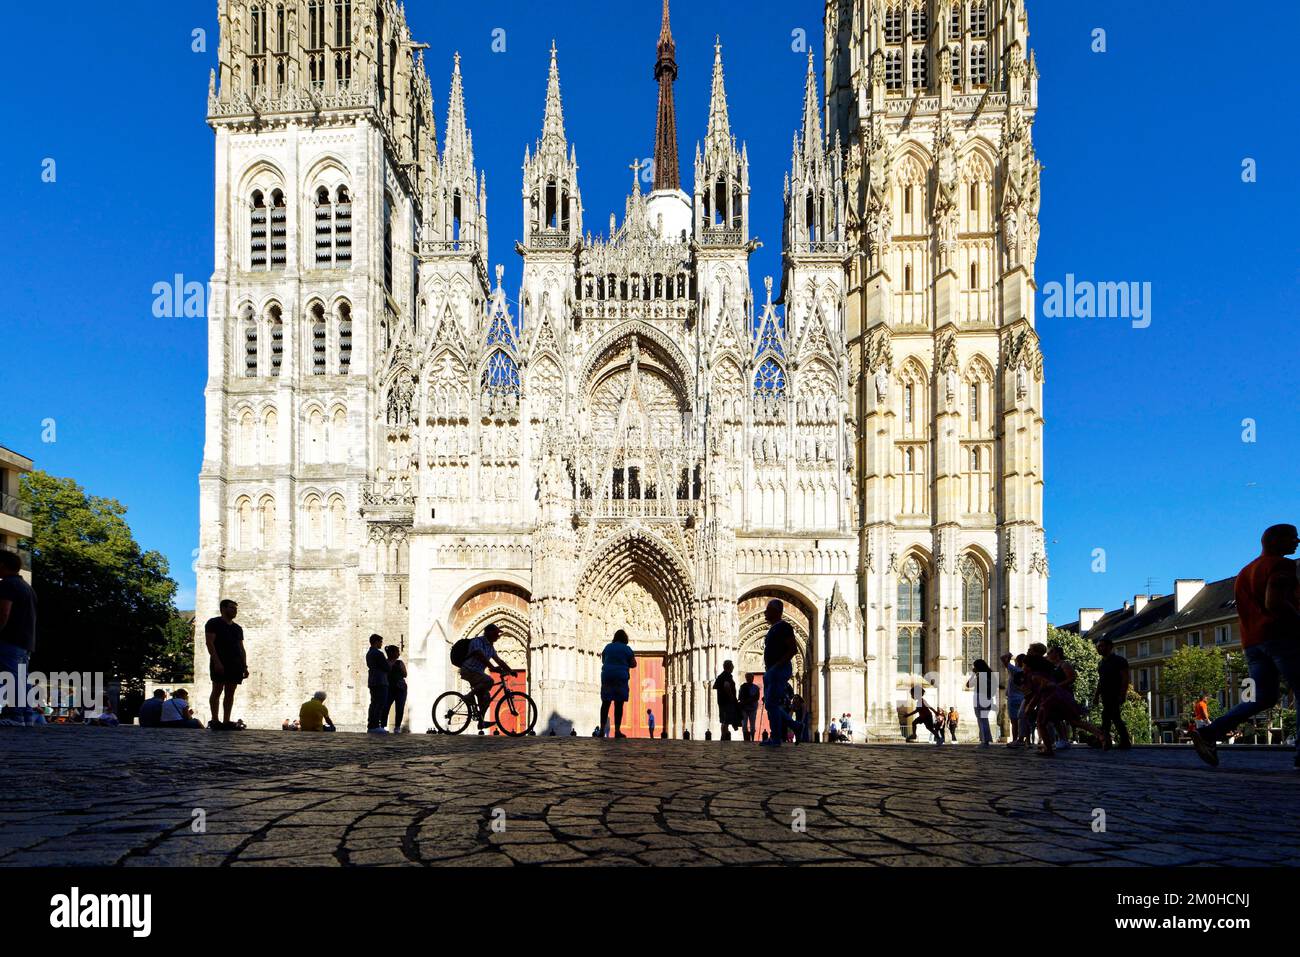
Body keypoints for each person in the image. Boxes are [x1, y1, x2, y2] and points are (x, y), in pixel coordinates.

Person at [1192, 525, 1300, 769]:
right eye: (1292, 537)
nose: (1298, 541)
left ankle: (1210, 733)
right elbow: (1275, 603)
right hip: (1281, 637)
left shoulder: (1244, 572)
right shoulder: (1281, 565)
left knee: (1262, 697)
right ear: (1274, 540)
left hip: (1252, 643)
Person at [1023, 656, 1103, 757]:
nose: (1023, 668)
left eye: (1024, 666)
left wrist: (1032, 705)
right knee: (1074, 721)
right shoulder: (1041, 674)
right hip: (1061, 697)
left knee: (1040, 723)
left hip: (1050, 700)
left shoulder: (1034, 676)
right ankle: (1100, 735)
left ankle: (1048, 749)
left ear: (1029, 667)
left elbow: (1043, 689)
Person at [0, 549, 38, 726]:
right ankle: (26, 715)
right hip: (26, 640)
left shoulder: (7, 585)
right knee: (22, 678)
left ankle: (15, 715)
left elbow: (4, 612)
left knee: (11, 677)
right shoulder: (28, 588)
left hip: (9, 638)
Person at [460, 623, 516, 731]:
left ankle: (481, 722)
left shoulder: (490, 648)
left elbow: (499, 661)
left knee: (486, 697)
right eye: (496, 633)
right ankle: (468, 696)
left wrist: (510, 670)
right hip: (469, 670)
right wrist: (492, 667)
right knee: (489, 680)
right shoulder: (477, 641)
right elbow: (479, 654)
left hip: (477, 673)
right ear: (489, 632)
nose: (498, 636)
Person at [759, 600, 799, 748]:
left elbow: (793, 649)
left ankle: (776, 738)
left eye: (768, 610)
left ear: (776, 611)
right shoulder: (775, 628)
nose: (765, 613)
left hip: (778, 669)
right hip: (773, 670)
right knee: (771, 704)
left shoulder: (784, 627)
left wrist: (777, 666)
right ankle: (795, 726)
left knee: (771, 704)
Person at [204, 599, 248, 731]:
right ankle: (215, 719)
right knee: (217, 690)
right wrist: (217, 661)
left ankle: (226, 720)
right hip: (220, 661)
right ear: (223, 608)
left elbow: (241, 648)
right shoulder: (213, 623)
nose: (235, 611)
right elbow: (210, 643)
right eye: (232, 608)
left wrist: (244, 666)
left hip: (235, 664)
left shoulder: (237, 628)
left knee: (230, 692)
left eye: (235, 608)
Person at [1092, 638, 1131, 750]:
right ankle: (1109, 740)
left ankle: (1109, 740)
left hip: (1115, 693)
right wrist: (1096, 695)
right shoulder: (1101, 663)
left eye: (1101, 646)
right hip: (1105, 694)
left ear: (1110, 647)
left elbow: (1125, 678)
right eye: (1098, 646)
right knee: (1110, 717)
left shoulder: (1120, 661)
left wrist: (1122, 694)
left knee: (1111, 717)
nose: (1099, 648)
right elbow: (1101, 680)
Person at [597, 629, 637, 738]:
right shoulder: (627, 649)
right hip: (620, 677)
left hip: (607, 676)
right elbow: (634, 664)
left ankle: (601, 729)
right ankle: (617, 730)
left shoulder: (608, 647)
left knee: (605, 703)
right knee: (618, 704)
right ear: (625, 639)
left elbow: (603, 660)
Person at [366, 635, 390, 733]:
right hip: (380, 681)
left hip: (372, 680)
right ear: (376, 642)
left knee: (374, 703)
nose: (381, 644)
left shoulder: (369, 653)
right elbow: (386, 667)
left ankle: (371, 725)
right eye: (380, 641)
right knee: (380, 703)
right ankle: (375, 725)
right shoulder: (378, 653)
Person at [969, 660, 996, 746]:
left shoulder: (980, 676)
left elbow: (968, 684)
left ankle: (985, 740)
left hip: (979, 699)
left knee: (981, 720)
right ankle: (986, 739)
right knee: (984, 719)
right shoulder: (990, 675)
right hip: (988, 699)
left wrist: (973, 674)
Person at [1001, 653, 1026, 747]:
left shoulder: (1014, 670)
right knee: (1023, 720)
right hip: (1023, 697)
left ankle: (1015, 740)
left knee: (1014, 721)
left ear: (1017, 661)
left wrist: (1008, 655)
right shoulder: (1026, 671)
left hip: (1013, 698)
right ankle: (1023, 740)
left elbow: (1002, 658)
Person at [714, 660, 740, 741]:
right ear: (729, 667)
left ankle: (724, 735)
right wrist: (731, 696)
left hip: (722, 701)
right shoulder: (726, 676)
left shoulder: (721, 676)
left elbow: (716, 686)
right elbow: (726, 685)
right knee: (726, 720)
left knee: (724, 720)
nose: (733, 667)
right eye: (732, 666)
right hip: (726, 701)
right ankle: (724, 737)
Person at [384, 645, 408, 733]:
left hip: (400, 688)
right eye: (397, 652)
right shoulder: (385, 663)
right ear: (392, 653)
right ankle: (383, 725)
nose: (398, 654)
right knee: (386, 707)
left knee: (400, 708)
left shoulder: (399, 663)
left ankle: (397, 727)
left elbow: (405, 674)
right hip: (389, 688)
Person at [738, 673, 761, 741]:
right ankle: (745, 738)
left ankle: (752, 738)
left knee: (752, 724)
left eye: (751, 678)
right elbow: (740, 696)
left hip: (752, 708)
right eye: (748, 678)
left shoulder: (756, 688)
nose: (749, 679)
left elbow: (757, 697)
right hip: (744, 708)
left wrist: (749, 700)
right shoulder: (743, 687)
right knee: (744, 723)